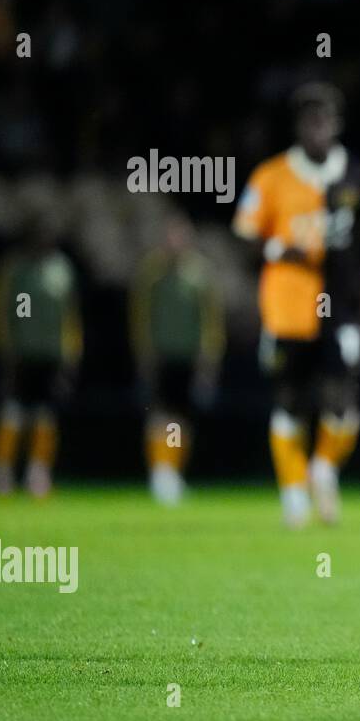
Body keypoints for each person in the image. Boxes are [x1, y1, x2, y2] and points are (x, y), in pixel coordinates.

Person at [234, 83, 360, 527]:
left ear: (337, 123)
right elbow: (245, 239)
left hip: (342, 303)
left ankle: (323, 468)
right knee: (289, 397)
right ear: (297, 126)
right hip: (287, 305)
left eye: (325, 118)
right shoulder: (271, 176)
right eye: (308, 119)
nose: (317, 127)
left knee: (344, 396)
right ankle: (293, 490)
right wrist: (278, 251)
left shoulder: (356, 176)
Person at [129, 213, 225, 505]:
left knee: (182, 418)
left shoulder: (199, 274)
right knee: (160, 414)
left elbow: (211, 319)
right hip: (160, 356)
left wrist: (209, 356)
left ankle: (172, 472)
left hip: (189, 357)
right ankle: (160, 472)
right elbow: (140, 315)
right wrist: (144, 351)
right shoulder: (151, 273)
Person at [0, 218, 82, 498]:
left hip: (51, 355)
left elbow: (70, 313)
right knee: (14, 413)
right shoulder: (15, 267)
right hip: (20, 354)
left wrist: (72, 350)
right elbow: (2, 308)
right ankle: (2, 472)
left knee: (44, 416)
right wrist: (7, 345)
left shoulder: (61, 268)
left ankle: (38, 473)